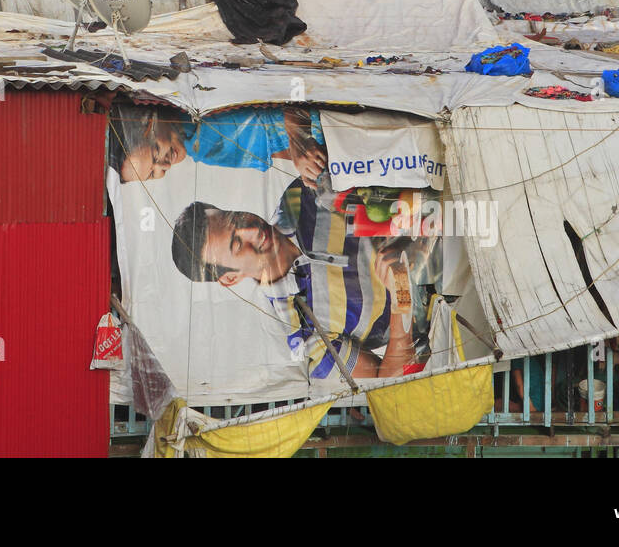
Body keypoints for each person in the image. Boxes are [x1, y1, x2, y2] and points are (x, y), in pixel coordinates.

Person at [170, 181, 440, 381]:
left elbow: (398, 181)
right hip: (456, 303)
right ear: (231, 278)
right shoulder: (303, 336)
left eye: (236, 218)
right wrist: (401, 298)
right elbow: (387, 383)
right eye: (237, 244)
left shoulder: (301, 195)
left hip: (453, 213)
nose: (252, 230)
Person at [109, 106, 327, 187]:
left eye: (156, 152)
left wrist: (301, 139)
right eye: (152, 174)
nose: (164, 165)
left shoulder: (199, 103)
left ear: (150, 121)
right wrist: (312, 168)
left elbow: (285, 102)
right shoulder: (205, 154)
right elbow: (279, 151)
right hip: (336, 139)